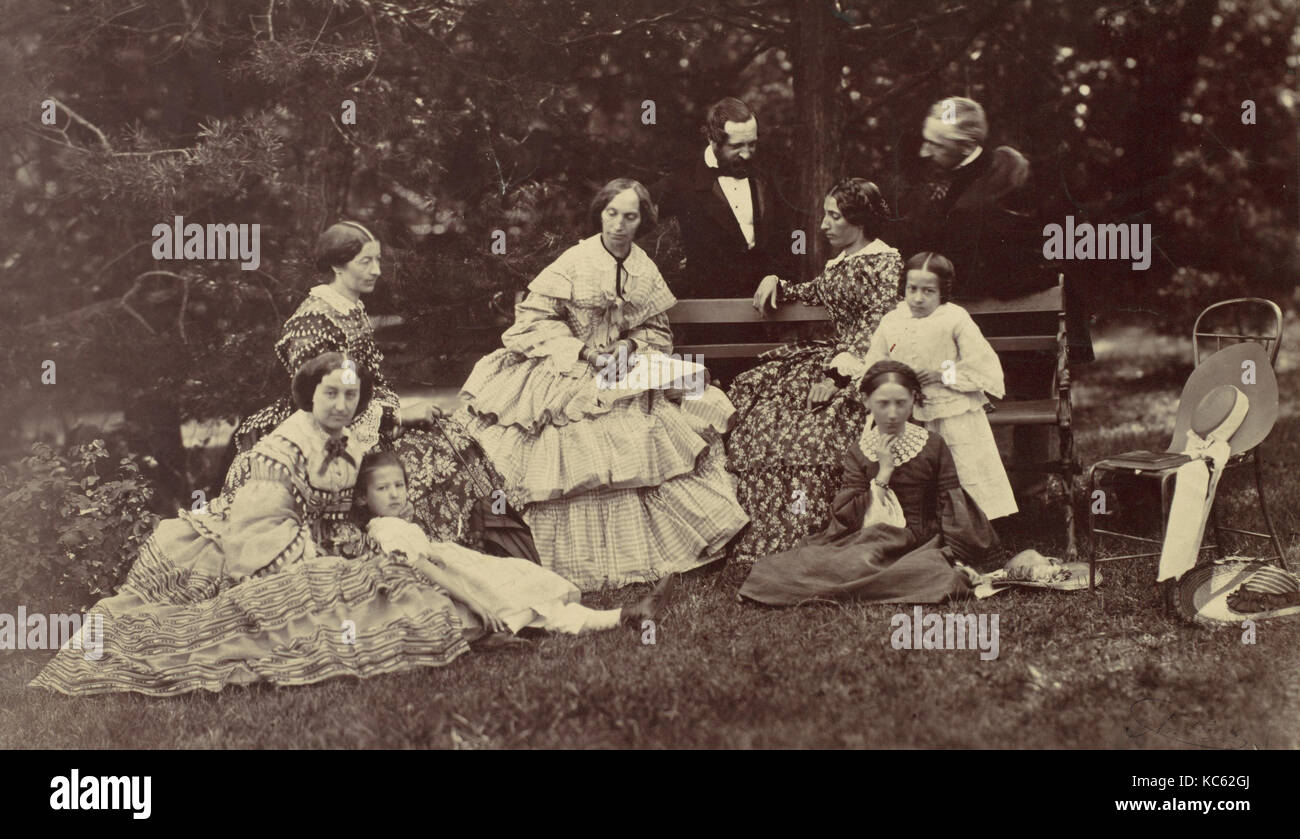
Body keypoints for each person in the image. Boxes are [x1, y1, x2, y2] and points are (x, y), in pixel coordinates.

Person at [31, 353, 473, 696]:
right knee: (292, 614)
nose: (341, 405)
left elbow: (333, 507)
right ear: (309, 396)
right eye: (330, 394)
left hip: (314, 537)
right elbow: (258, 525)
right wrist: (309, 565)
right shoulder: (284, 446)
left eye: (351, 396)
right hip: (259, 543)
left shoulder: (348, 440)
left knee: (396, 593)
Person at [459, 178, 750, 591]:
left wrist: (629, 344)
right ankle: (561, 562)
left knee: (673, 413)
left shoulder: (643, 266)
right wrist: (584, 353)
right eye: (611, 214)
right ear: (600, 213)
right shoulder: (575, 260)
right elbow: (532, 321)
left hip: (622, 365)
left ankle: (660, 548)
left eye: (629, 216)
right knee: (578, 442)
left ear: (641, 220)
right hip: (568, 364)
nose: (618, 225)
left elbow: (656, 328)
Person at [223, 221, 533, 557]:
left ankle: (476, 556)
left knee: (454, 441)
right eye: (365, 262)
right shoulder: (312, 321)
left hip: (367, 414)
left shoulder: (350, 307)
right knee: (419, 461)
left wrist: (399, 410)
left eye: (378, 261)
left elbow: (367, 382)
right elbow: (323, 402)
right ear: (336, 265)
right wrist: (397, 416)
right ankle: (416, 557)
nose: (377, 270)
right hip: (327, 428)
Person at [886, 96, 1091, 499]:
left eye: (936, 144)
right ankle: (952, 490)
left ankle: (1027, 488)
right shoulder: (944, 182)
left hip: (1012, 323)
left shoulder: (1008, 180)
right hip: (978, 323)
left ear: (965, 144)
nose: (926, 151)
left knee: (1023, 390)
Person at [725, 178, 902, 562]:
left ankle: (810, 533)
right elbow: (814, 290)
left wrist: (838, 377)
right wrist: (776, 280)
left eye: (834, 216)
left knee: (811, 432)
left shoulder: (884, 262)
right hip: (836, 361)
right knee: (764, 414)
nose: (823, 224)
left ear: (858, 222)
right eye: (825, 214)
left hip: (866, 371)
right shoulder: (842, 261)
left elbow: (880, 327)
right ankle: (765, 531)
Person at [738, 360, 995, 607]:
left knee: (930, 571)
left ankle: (915, 574)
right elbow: (847, 517)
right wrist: (884, 473)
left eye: (901, 403)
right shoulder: (859, 451)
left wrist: (955, 555)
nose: (892, 413)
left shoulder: (932, 444)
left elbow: (950, 504)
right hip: (870, 540)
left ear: (914, 401)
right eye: (883, 404)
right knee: (826, 563)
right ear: (866, 402)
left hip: (919, 543)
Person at [355, 451, 673, 634]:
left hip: (460, 569)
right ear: (363, 497)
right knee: (524, 598)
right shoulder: (385, 531)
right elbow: (423, 567)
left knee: (529, 591)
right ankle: (621, 616)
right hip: (454, 585)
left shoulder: (394, 525)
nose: (395, 493)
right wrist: (474, 602)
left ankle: (625, 615)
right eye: (383, 489)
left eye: (399, 485)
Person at [652, 96, 800, 384]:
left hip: (763, 316)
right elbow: (635, 210)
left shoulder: (768, 173)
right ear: (713, 139)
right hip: (706, 320)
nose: (746, 154)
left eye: (752, 144)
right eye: (737, 146)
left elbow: (790, 237)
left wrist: (776, 274)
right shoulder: (682, 181)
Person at [858, 252, 1017, 520]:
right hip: (905, 412)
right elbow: (874, 365)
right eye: (912, 289)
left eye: (928, 291)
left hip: (951, 409)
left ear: (943, 292)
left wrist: (943, 374)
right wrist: (896, 379)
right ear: (903, 287)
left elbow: (984, 367)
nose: (918, 298)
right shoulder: (892, 321)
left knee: (962, 467)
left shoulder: (954, 318)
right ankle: (909, 522)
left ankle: (970, 524)